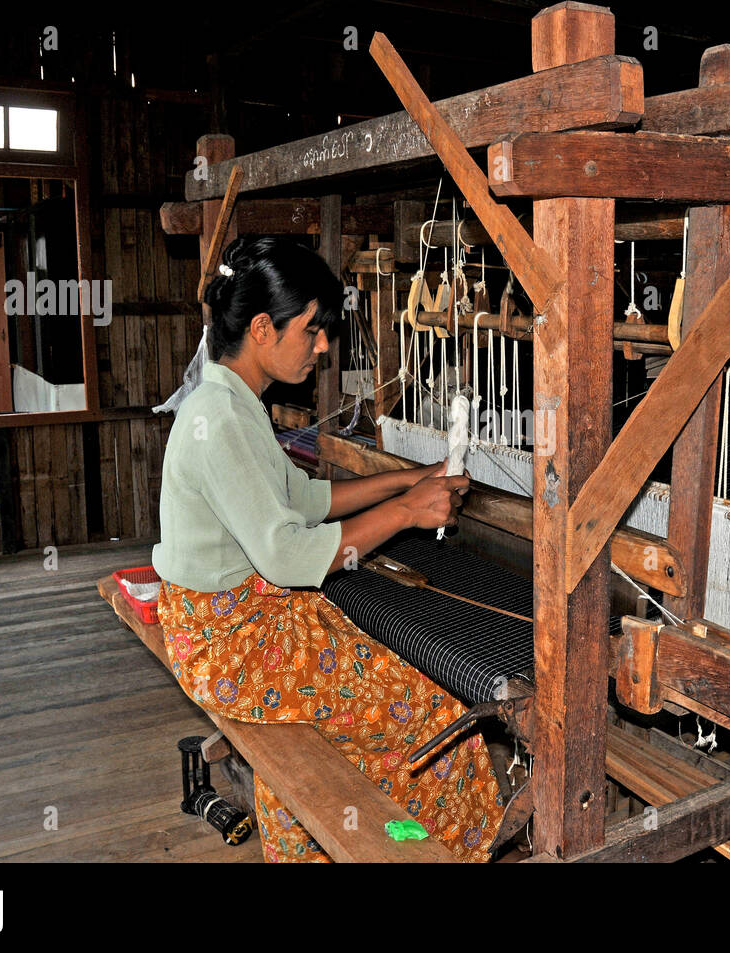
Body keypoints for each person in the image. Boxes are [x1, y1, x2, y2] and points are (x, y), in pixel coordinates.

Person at [152, 237, 502, 862]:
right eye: (312, 331)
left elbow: (302, 498)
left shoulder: (232, 402)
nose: (323, 346)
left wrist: (406, 479)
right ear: (262, 328)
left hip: (234, 625)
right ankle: (431, 852)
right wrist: (405, 512)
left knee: (339, 735)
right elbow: (287, 556)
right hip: (230, 643)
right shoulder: (223, 421)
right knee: (439, 724)